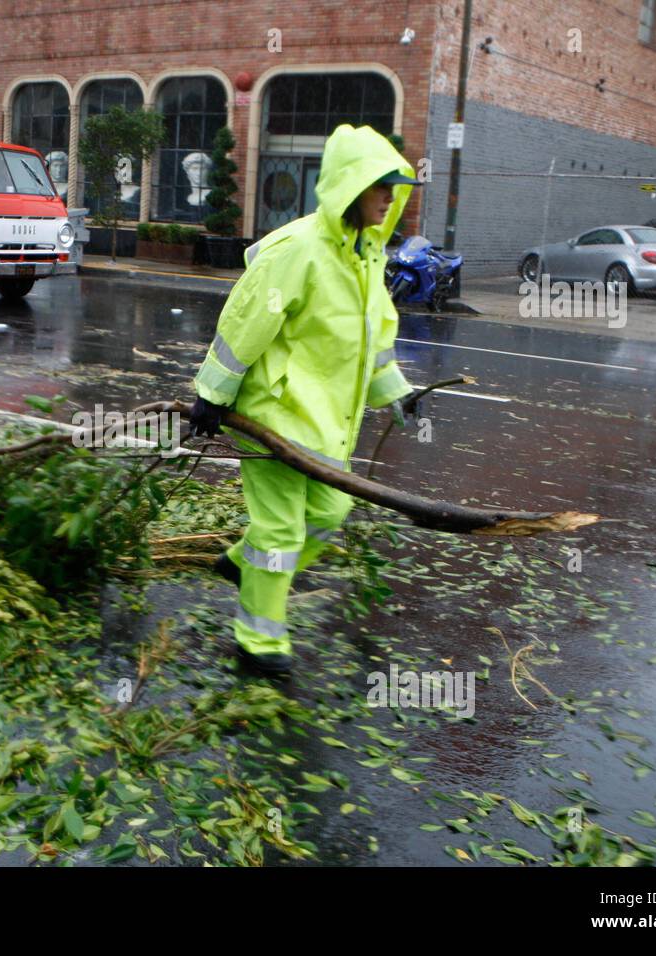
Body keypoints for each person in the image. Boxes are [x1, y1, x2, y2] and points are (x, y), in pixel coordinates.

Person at [188, 124, 423, 674]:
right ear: (351, 186)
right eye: (380, 186)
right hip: (273, 417)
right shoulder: (298, 249)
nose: (390, 199)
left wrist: (399, 396)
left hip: (326, 427)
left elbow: (375, 344)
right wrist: (211, 395)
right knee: (280, 534)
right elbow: (245, 324)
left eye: (394, 187)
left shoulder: (367, 258)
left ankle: (245, 564)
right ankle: (258, 641)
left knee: (330, 512)